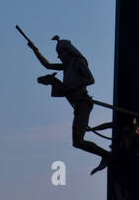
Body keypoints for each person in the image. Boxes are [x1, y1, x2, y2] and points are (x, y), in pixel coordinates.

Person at [29, 35, 112, 174]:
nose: (59, 56)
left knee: (79, 141)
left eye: (61, 53)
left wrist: (69, 89)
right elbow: (47, 65)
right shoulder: (66, 66)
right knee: (76, 142)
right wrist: (34, 49)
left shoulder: (78, 62)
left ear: (68, 51)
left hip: (84, 103)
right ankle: (106, 155)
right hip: (78, 107)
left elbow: (90, 79)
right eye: (58, 54)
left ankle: (107, 155)